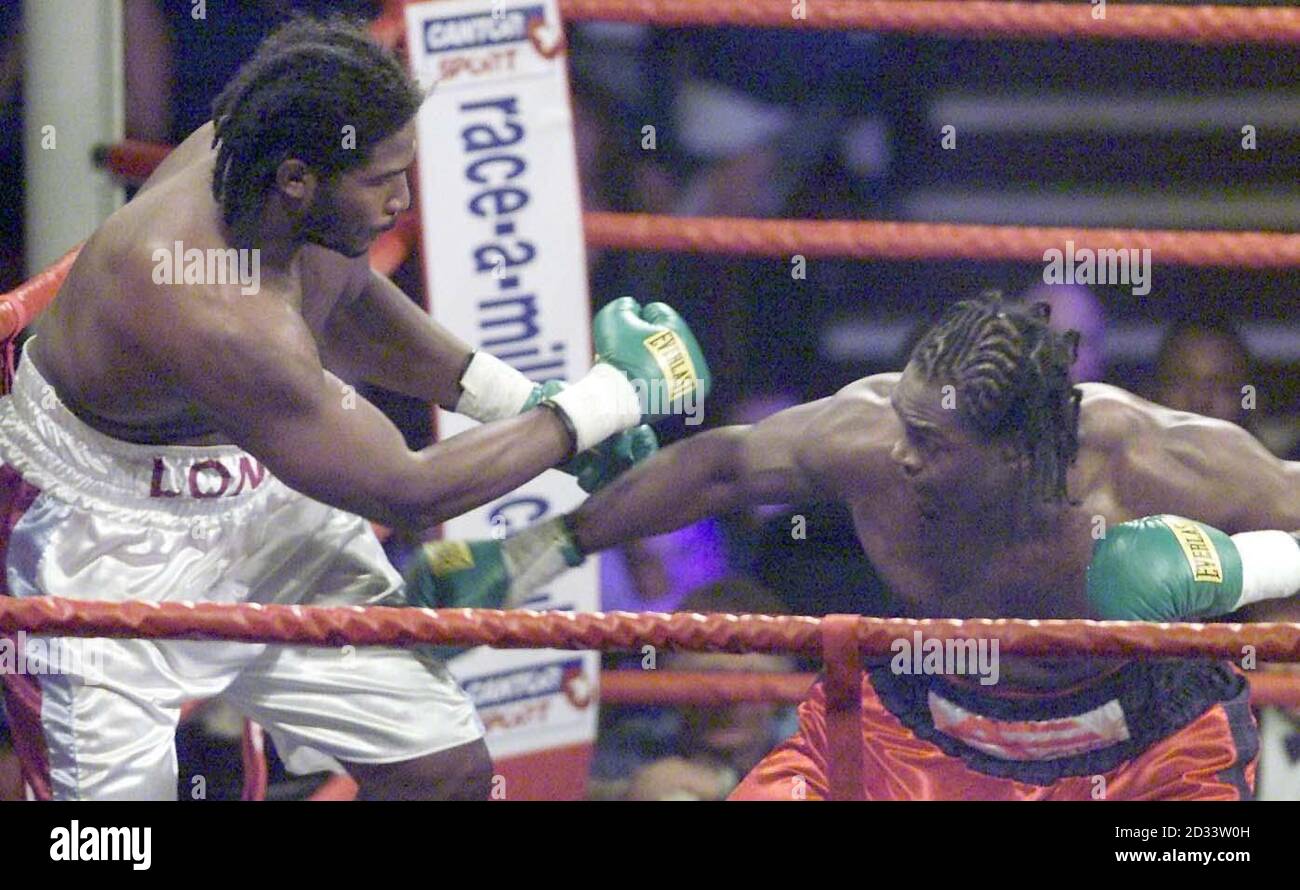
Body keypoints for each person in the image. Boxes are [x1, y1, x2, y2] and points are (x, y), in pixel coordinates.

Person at [0, 15, 706, 800]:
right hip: (101, 538)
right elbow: (405, 489)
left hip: (257, 482)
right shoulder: (211, 307)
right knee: (109, 845)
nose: (406, 199)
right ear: (299, 178)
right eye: (384, 179)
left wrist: (521, 401)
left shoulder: (280, 180)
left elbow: (351, 296)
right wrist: (603, 399)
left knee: (446, 773)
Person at [414, 293, 1300, 799]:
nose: (901, 454)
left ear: (1020, 451)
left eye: (933, 442)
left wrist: (1241, 569)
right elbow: (723, 468)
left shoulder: (1161, 465)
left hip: (1151, 744)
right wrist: (541, 548)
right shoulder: (872, 438)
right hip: (922, 720)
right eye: (905, 422)